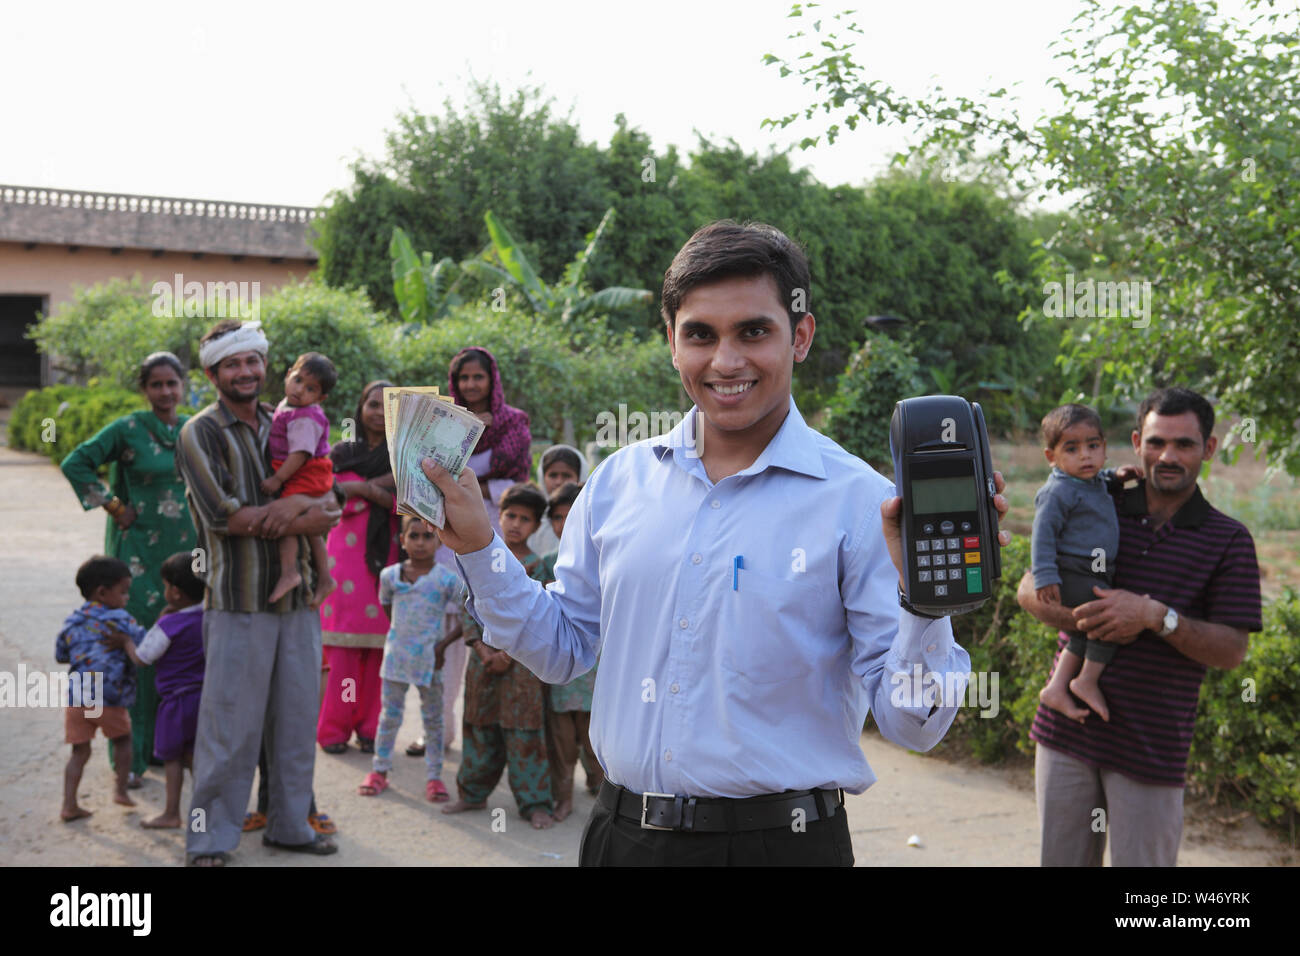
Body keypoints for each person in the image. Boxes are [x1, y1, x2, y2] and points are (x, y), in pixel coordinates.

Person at [421, 221, 1010, 866]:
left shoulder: (863, 504)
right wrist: (480, 547)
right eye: (700, 334)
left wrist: (923, 606)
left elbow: (915, 724)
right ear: (671, 341)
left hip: (783, 850)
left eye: (753, 331)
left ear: (801, 335)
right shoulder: (619, 483)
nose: (726, 361)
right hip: (623, 840)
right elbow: (564, 648)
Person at [1018, 386, 1262, 867]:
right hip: (1066, 734)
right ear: (1136, 442)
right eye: (1156, 442)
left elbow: (1232, 651)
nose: (1167, 456)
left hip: (1151, 749)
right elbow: (1029, 590)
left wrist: (1156, 617)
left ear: (1209, 448)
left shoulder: (1229, 540)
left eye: (1184, 444)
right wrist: (1094, 619)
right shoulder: (1096, 497)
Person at [174, 318, 341, 866]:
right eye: (232, 364)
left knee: (295, 726)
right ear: (212, 372)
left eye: (252, 361)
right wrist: (297, 516)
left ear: (265, 366)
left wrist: (298, 514)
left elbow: (331, 502)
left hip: (299, 601)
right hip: (238, 602)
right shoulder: (200, 431)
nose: (245, 371)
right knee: (229, 730)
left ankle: (291, 826)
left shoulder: (287, 419)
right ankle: (210, 839)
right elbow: (226, 518)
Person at [60, 351, 197, 787]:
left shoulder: (196, 427)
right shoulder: (127, 429)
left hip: (188, 557)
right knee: (136, 650)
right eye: (155, 384)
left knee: (178, 649)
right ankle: (131, 758)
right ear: (145, 389)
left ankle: (165, 749)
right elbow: (76, 462)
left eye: (172, 383)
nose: (165, 392)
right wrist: (115, 505)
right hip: (138, 556)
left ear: (184, 386)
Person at [415, 348, 532, 760]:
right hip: (448, 536)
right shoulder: (442, 425)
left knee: (494, 633)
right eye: (462, 378)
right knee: (446, 638)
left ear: (491, 380)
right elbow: (425, 473)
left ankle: (491, 747)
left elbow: (516, 485)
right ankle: (438, 732)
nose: (470, 385)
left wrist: (470, 491)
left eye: (477, 377)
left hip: (491, 536)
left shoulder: (513, 423)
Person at [441, 483, 555, 829]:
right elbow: (467, 607)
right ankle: (471, 794)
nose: (516, 523)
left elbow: (542, 614)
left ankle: (535, 803)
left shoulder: (539, 566)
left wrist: (507, 654)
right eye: (510, 515)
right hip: (483, 664)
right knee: (478, 727)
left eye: (526, 518)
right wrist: (481, 648)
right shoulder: (479, 556)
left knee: (525, 735)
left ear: (536, 526)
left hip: (523, 668)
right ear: (499, 516)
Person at [317, 380, 400, 755]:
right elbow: (326, 491)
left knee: (379, 653)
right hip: (344, 560)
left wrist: (360, 489)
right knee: (344, 653)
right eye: (372, 404)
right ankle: (335, 728)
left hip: (386, 555)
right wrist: (370, 491)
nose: (379, 413)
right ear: (360, 407)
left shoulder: (404, 455)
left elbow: (409, 498)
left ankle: (370, 728)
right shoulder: (341, 451)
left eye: (388, 406)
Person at [357, 517, 464, 802]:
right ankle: (379, 771)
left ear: (438, 540)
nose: (420, 542)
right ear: (402, 540)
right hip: (396, 660)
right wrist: (402, 638)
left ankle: (434, 777)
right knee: (389, 717)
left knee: (434, 721)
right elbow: (388, 608)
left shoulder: (447, 579)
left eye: (427, 536)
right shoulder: (390, 576)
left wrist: (441, 647)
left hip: (431, 662)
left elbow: (469, 615)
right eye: (413, 536)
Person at [102, 551, 205, 829]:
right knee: (198, 760)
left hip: (175, 703)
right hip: (205, 700)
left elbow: (142, 658)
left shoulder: (168, 625)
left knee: (172, 759)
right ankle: (204, 817)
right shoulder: (210, 617)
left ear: (175, 592)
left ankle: (171, 813)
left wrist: (125, 641)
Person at [1031, 404, 1120, 723]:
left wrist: (1117, 476)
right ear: (1051, 457)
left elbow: (1100, 483)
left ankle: (1056, 687)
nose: (1086, 456)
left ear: (1104, 448)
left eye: (1093, 446)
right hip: (1073, 570)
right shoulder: (1056, 492)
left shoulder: (1092, 481)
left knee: (1083, 632)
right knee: (1107, 622)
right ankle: (1086, 680)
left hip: (1091, 570)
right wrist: (1044, 575)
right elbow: (1042, 534)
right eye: (1072, 448)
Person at [57, 556, 145, 822]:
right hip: (109, 696)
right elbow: (142, 649)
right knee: (122, 740)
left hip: (78, 696)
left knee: (79, 752)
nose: (127, 598)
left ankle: (69, 805)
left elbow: (61, 654)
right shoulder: (121, 620)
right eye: (123, 591)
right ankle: (120, 791)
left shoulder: (72, 621)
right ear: (103, 593)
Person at [536, 480, 602, 822]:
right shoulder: (547, 563)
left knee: (596, 740)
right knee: (562, 741)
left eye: (571, 515)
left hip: (598, 670)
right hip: (562, 667)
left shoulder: (608, 559)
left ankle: (600, 792)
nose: (565, 524)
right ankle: (563, 798)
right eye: (558, 517)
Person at [262, 352, 338, 608]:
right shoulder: (291, 406)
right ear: (288, 375)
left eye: (310, 389)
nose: (299, 390)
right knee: (310, 526)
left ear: (320, 398)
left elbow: (300, 454)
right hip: (310, 472)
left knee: (287, 516)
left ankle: (289, 572)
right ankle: (326, 578)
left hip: (306, 472)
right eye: (297, 380)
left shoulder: (305, 418)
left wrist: (277, 479)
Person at [526, 444, 588, 557]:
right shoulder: (533, 515)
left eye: (566, 475)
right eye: (553, 475)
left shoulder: (587, 516)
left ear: (580, 476)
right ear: (542, 477)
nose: (559, 481)